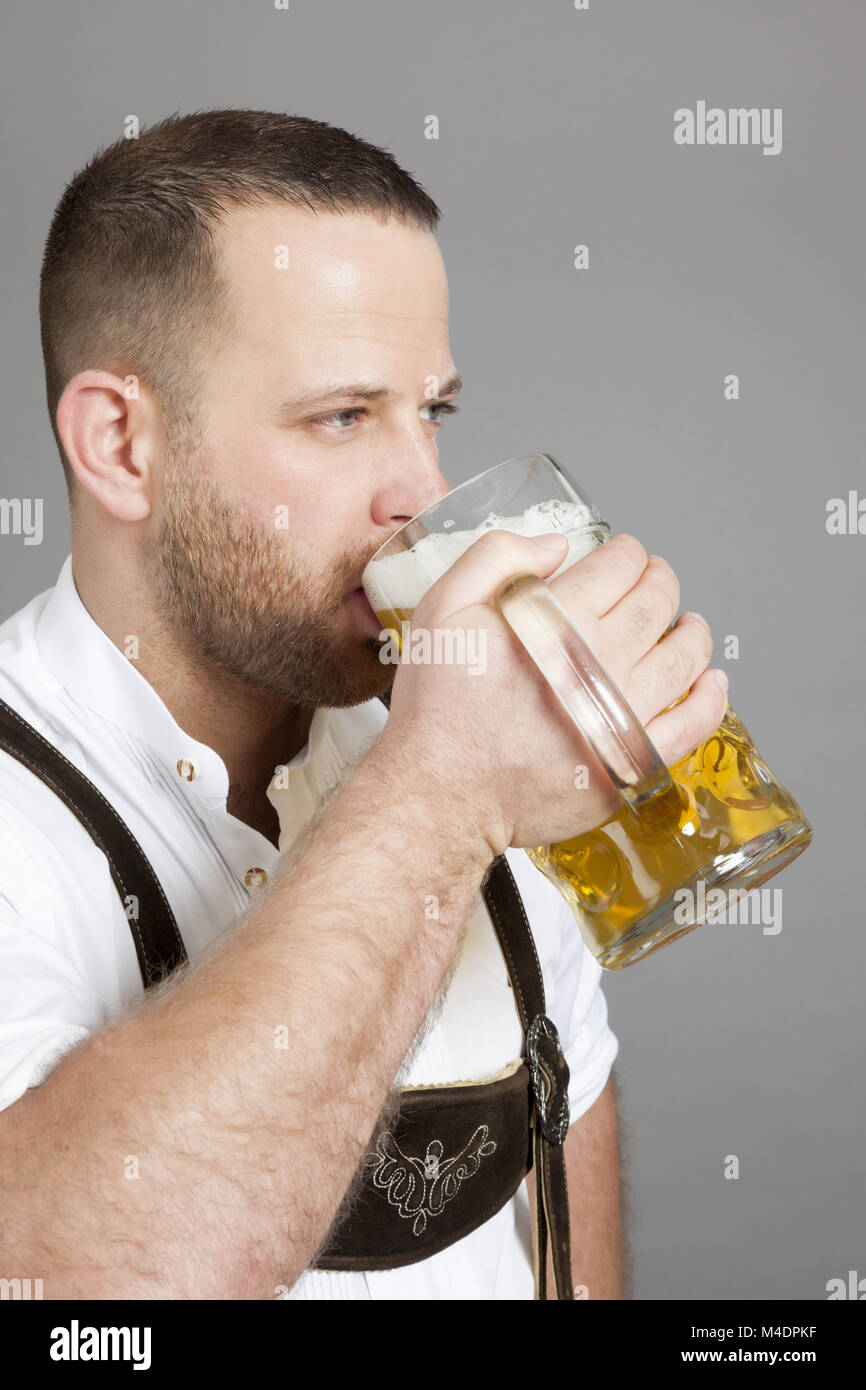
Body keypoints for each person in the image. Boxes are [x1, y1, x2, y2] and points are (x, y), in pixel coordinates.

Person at [0, 110, 727, 1300]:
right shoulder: (460, 765)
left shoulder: (489, 735)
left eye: (429, 410)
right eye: (341, 416)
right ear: (121, 444)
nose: (423, 492)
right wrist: (441, 792)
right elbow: (91, 1284)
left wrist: (460, 773)